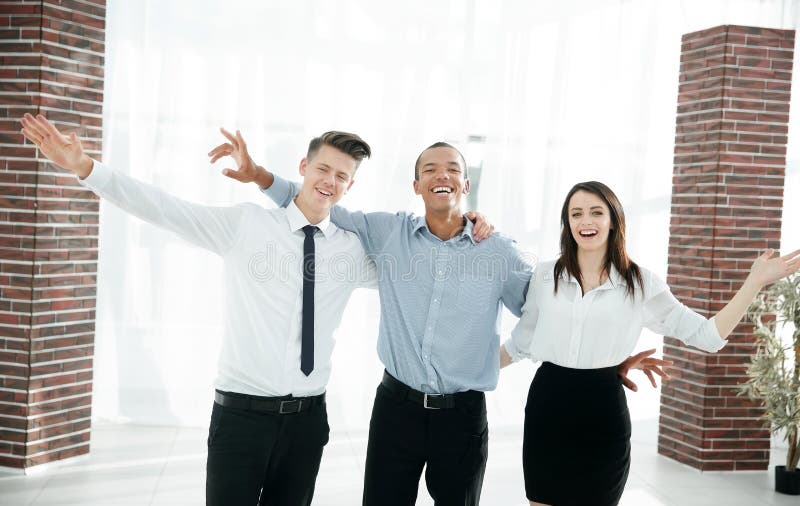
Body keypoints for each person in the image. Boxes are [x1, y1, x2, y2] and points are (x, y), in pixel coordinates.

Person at [212, 138, 667, 505]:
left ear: (465, 183)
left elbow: (552, 312)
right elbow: (318, 198)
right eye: (429, 169)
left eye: (450, 168)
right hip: (395, 410)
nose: (440, 175)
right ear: (416, 186)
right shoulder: (386, 231)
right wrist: (258, 176)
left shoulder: (499, 251)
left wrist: (604, 361)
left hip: (462, 417)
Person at [20, 113, 377, 506]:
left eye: (341, 176)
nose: (329, 181)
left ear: (350, 185)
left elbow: (420, 269)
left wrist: (458, 226)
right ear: (303, 167)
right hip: (242, 416)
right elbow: (164, 208)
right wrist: (86, 168)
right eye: (323, 168)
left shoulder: (352, 250)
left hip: (308, 422)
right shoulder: (247, 224)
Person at [500, 181, 800, 506]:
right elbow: (521, 343)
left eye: (596, 212)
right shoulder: (545, 277)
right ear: (567, 222)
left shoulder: (640, 283)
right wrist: (461, 375)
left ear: (613, 220)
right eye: (576, 214)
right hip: (549, 407)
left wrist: (753, 282)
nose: (586, 221)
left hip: (603, 411)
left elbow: (708, 336)